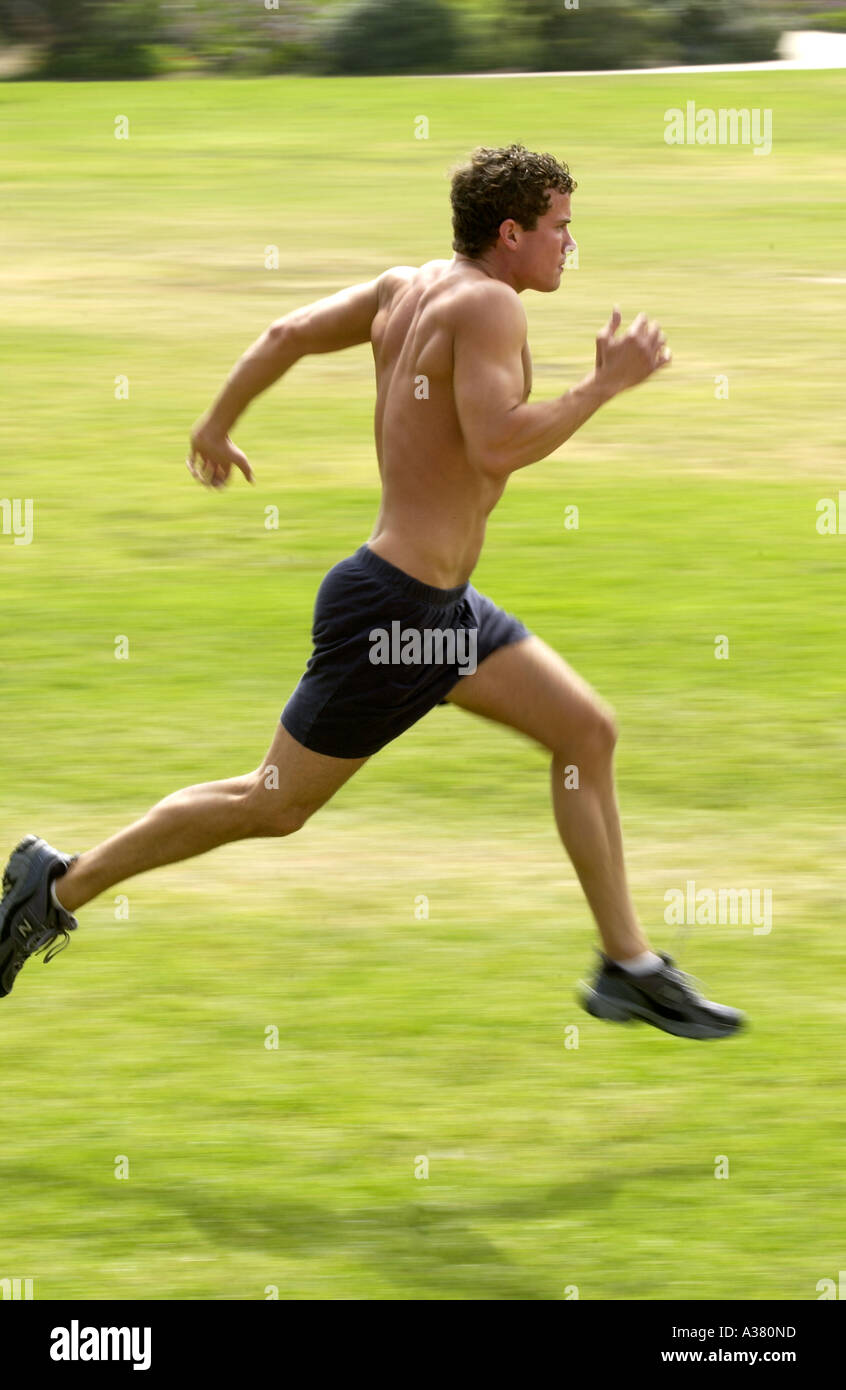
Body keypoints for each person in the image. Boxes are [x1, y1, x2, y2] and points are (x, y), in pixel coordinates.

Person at [0, 144, 743, 1039]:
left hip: (441, 611)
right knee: (272, 802)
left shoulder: (408, 286)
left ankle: (630, 968)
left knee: (585, 730)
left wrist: (216, 422)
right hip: (395, 613)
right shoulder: (489, 305)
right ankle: (55, 887)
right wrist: (604, 385)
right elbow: (498, 443)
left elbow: (288, 333)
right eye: (561, 229)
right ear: (511, 233)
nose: (570, 246)